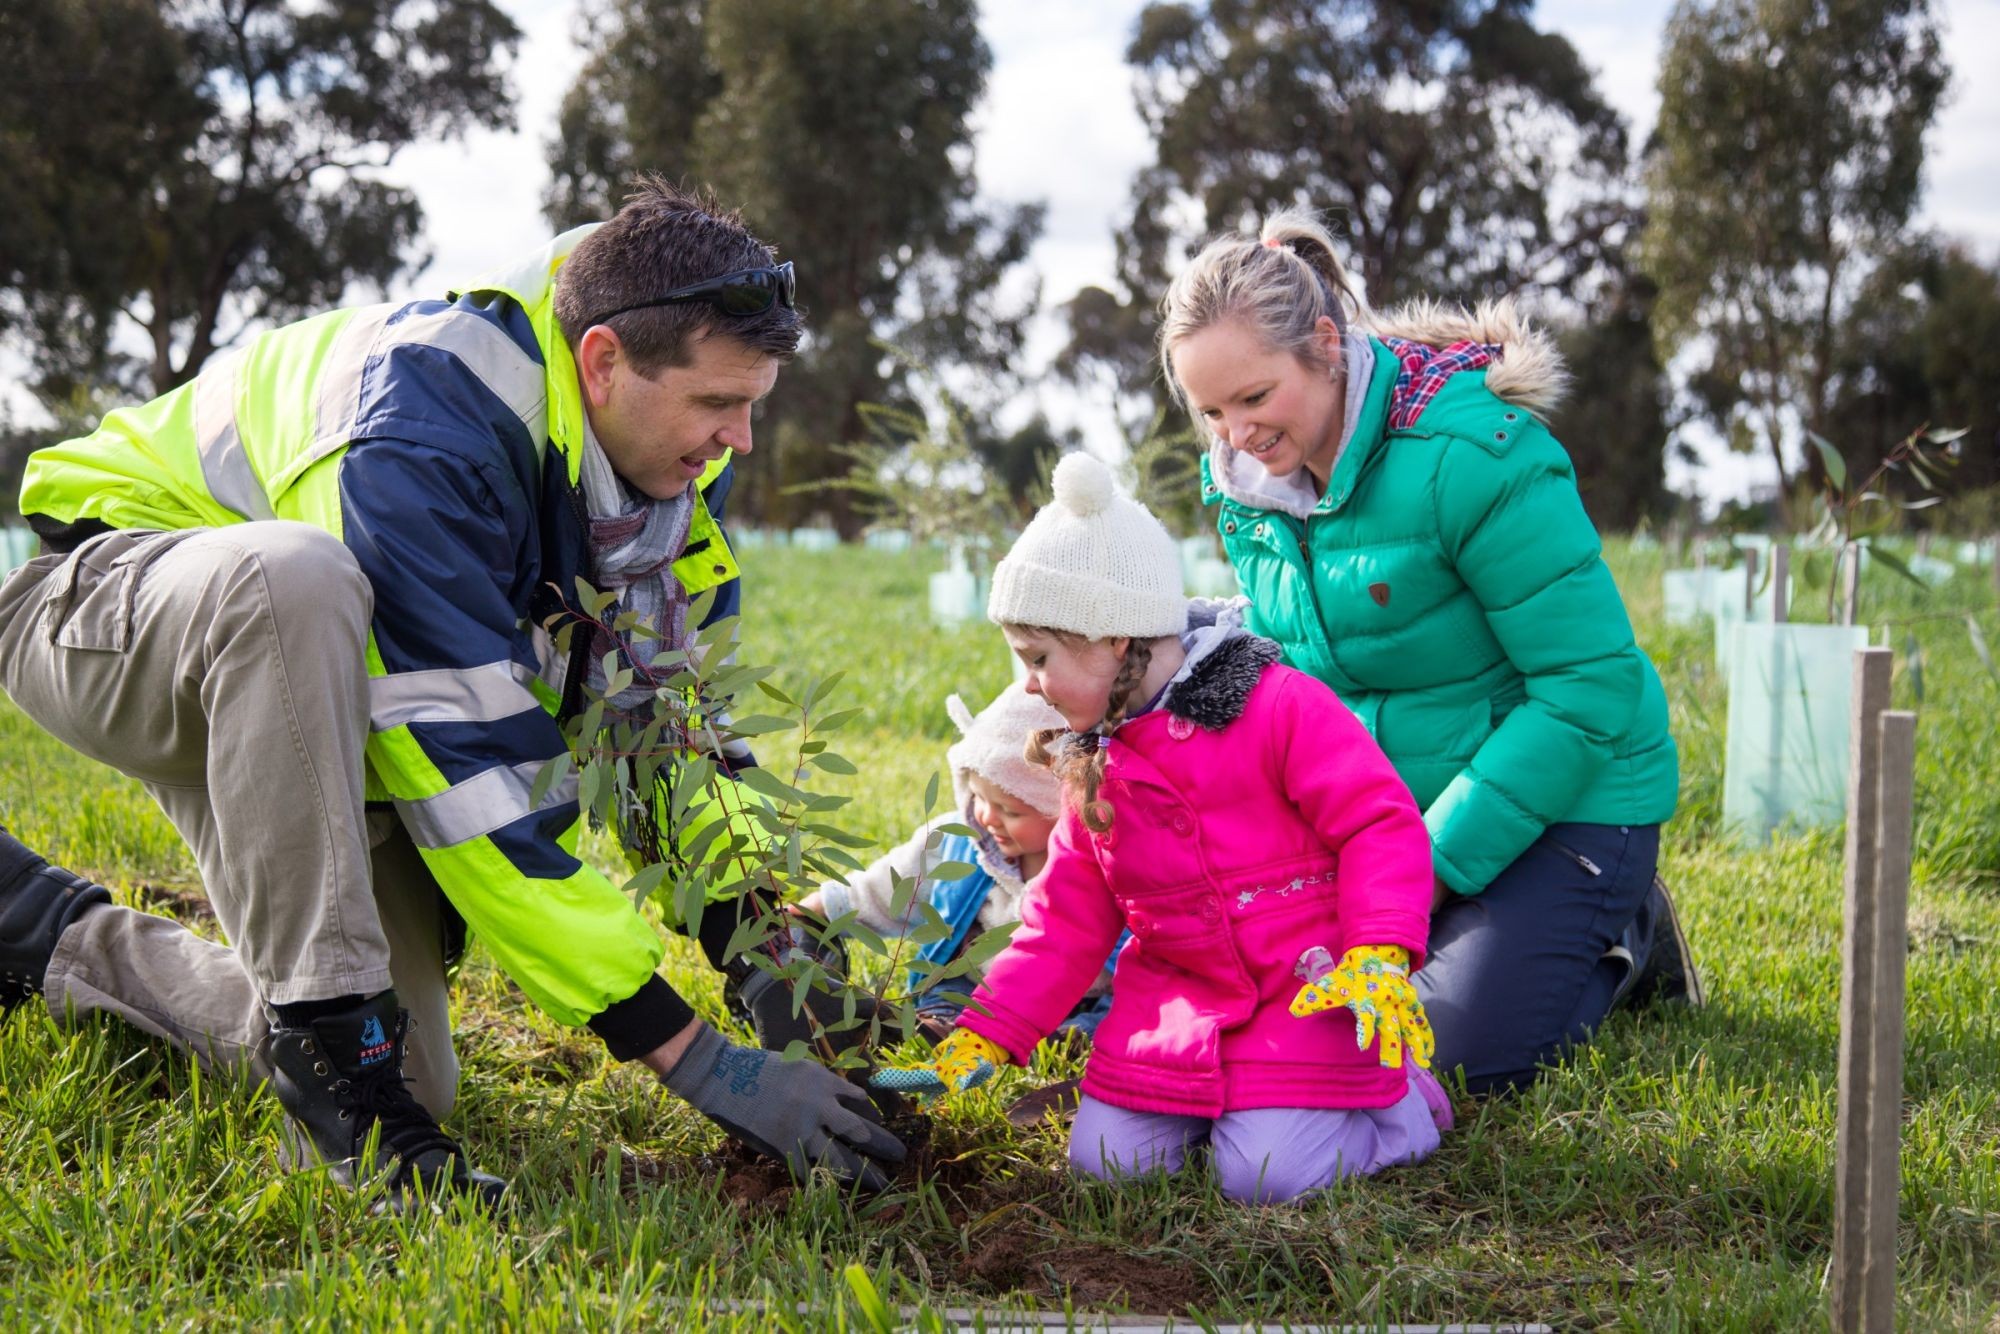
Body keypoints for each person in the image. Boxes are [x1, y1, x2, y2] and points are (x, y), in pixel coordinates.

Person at [0, 178, 904, 1201]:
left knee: (416, 1069)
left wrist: (762, 948)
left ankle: (36, 924)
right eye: (715, 403)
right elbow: (468, 772)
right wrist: (693, 1053)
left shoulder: (658, 465)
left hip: (329, 689)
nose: (738, 440)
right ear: (603, 362)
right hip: (114, 608)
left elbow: (662, 717)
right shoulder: (427, 433)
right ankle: (341, 1070)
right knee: (296, 578)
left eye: (751, 403)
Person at [1157, 209, 1697, 1097]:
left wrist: (1421, 870)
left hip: (1577, 798)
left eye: (1255, 399)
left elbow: (1588, 690)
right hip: (1396, 814)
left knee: (1431, 1054)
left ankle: (1627, 933)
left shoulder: (1476, 456)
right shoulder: (1250, 487)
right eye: (1212, 412)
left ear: (1326, 346)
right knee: (1287, 1008)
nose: (1236, 436)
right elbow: (1299, 669)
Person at [876, 454, 1451, 1205]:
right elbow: (1064, 925)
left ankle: (1400, 1108)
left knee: (1265, 1178)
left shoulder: (1278, 706)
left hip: (1303, 992)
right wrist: (986, 1033)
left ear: (1113, 638)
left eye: (1037, 658)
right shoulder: (1093, 766)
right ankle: (1248, 1114)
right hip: (1176, 1009)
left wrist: (1377, 950)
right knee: (1108, 1164)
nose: (1027, 685)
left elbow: (1378, 821)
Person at [794, 683, 1116, 1044]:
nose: (987, 817)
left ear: (1066, 812)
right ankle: (933, 1028)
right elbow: (889, 888)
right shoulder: (961, 843)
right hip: (973, 988)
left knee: (1107, 1022)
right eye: (977, 796)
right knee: (947, 994)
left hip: (1081, 1002)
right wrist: (817, 910)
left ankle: (1065, 1041)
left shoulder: (1105, 865)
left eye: (1011, 810)